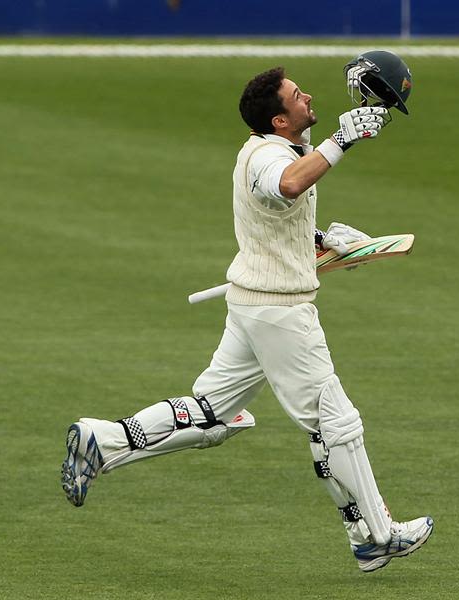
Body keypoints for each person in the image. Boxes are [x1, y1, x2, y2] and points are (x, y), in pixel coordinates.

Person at [61, 62, 433, 573]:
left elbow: (279, 217)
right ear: (279, 120)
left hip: (254, 301)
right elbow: (284, 187)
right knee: (336, 422)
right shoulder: (265, 156)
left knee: (214, 414)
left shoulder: (287, 148)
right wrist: (341, 141)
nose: (308, 98)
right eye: (298, 96)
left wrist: (323, 241)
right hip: (279, 312)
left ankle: (103, 440)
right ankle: (377, 534)